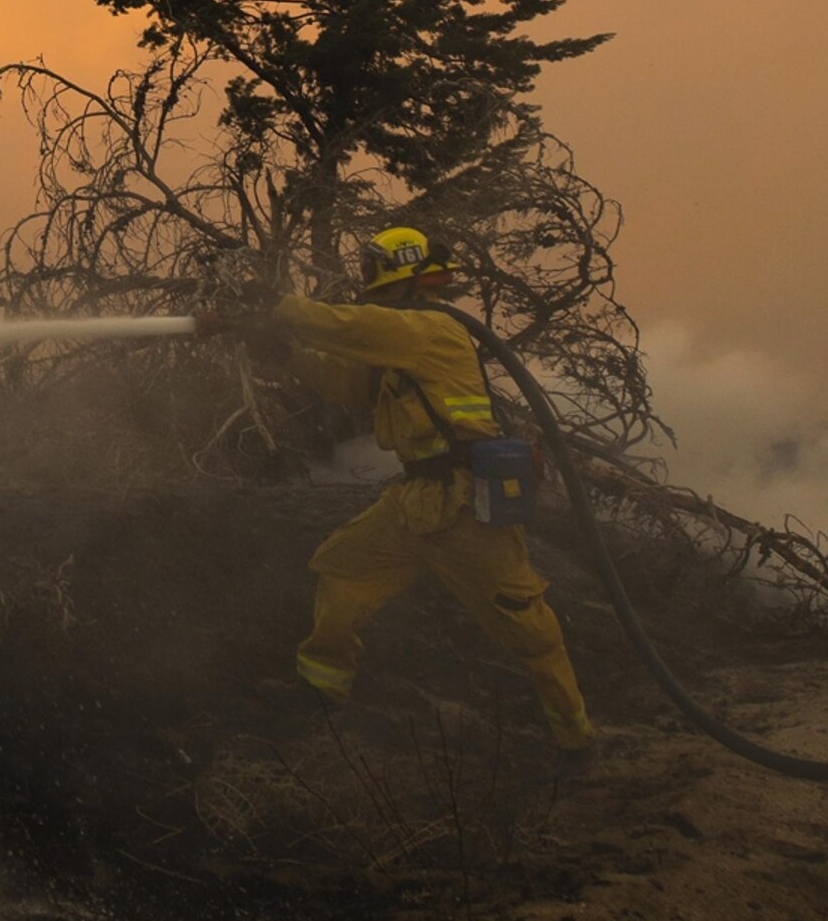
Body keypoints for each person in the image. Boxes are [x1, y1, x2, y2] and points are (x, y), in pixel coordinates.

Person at [224, 226, 595, 752]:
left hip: (468, 509)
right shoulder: (400, 343)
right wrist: (284, 354)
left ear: (397, 275)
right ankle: (320, 694)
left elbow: (349, 326)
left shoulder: (426, 328)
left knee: (526, 627)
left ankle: (575, 736)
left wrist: (278, 306)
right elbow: (348, 384)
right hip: (415, 503)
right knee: (342, 568)